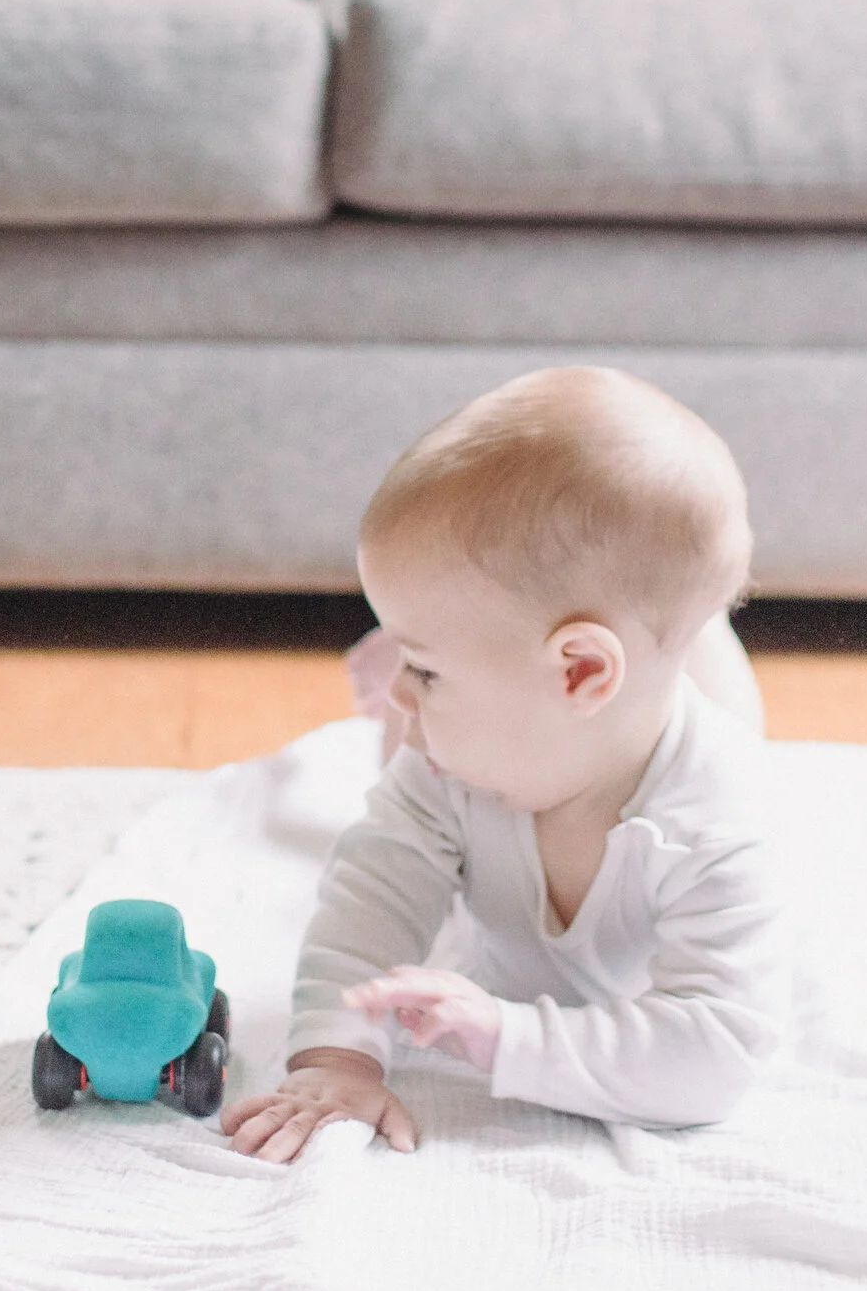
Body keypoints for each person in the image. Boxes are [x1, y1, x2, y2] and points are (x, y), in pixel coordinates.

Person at [220, 367, 784, 1161]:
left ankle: (692, 633)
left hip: (641, 733)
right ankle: (427, 636)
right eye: (413, 662)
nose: (405, 695)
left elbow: (715, 1057)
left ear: (579, 671)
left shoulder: (712, 820)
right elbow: (370, 895)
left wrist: (508, 1036)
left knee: (718, 695)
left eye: (424, 670)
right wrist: (338, 1057)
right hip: (534, 730)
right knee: (413, 751)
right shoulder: (450, 765)